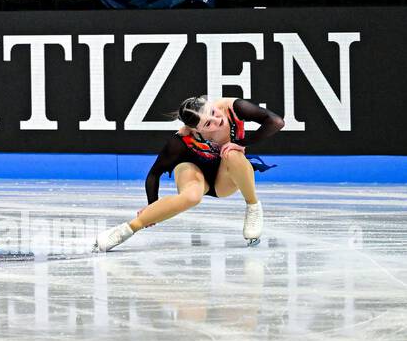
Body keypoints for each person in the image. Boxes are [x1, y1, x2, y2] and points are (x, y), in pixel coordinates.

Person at [95, 96, 283, 253]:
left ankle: (253, 206)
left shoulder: (233, 108)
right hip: (193, 172)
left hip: (224, 178)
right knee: (192, 196)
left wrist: (243, 143)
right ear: (196, 130)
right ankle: (126, 229)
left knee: (232, 153)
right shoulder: (181, 140)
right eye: (208, 123)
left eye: (213, 112)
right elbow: (154, 174)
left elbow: (276, 122)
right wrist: (153, 208)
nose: (217, 120)